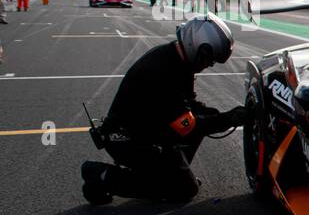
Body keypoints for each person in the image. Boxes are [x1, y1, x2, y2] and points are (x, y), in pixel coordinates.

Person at [80, 15, 248, 205]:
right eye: (208, 59)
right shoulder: (161, 71)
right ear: (197, 45)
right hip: (126, 139)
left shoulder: (177, 60)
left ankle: (170, 174)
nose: (209, 65)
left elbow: (190, 105)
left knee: (206, 120)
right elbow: (186, 125)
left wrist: (221, 115)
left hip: (147, 129)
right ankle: (102, 175)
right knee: (184, 189)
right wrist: (228, 119)